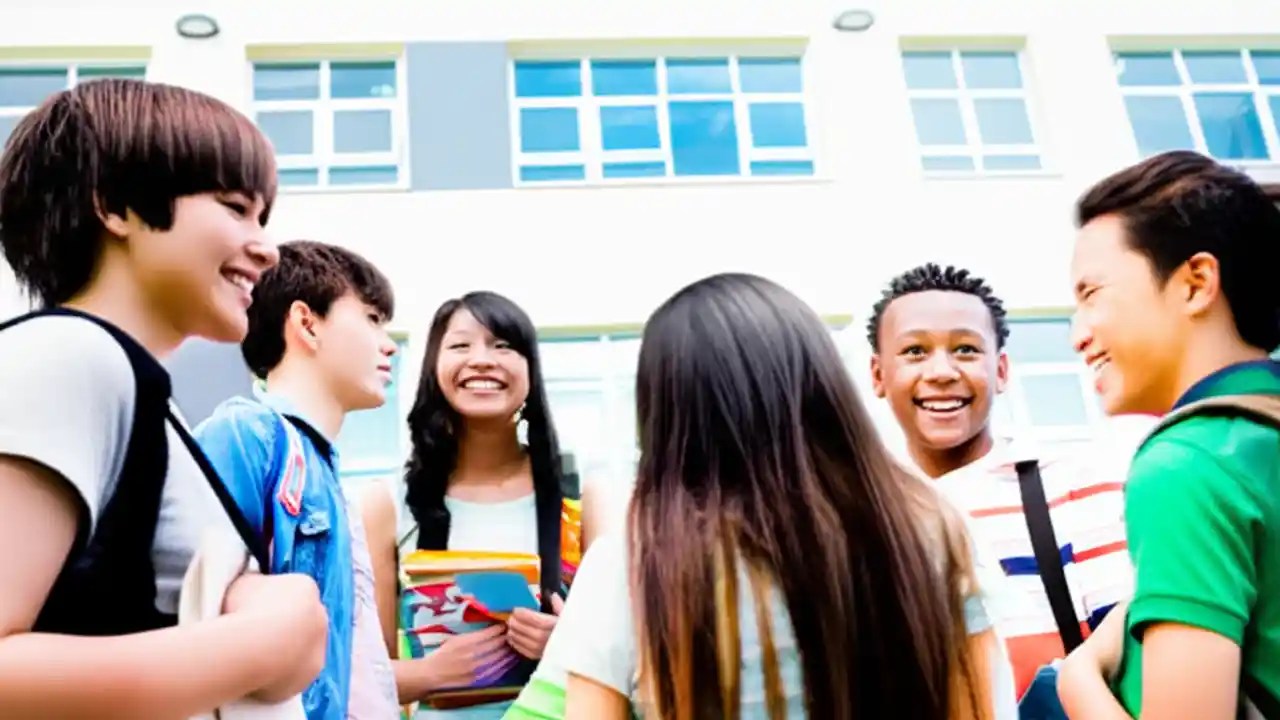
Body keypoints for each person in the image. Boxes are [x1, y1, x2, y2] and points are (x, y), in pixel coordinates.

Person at [543, 273, 1016, 719]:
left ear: (667, 411)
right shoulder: (925, 522)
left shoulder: (633, 560)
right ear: (820, 384)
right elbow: (981, 705)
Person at [0, 78, 328, 718]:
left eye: (264, 218)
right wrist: (268, 640)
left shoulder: (138, 395)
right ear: (116, 207)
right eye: (236, 207)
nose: (266, 249)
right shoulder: (69, 358)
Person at [1058, 151, 1280, 718]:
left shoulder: (1187, 464)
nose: (1077, 335)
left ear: (1195, 283)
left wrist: (1077, 680)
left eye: (1091, 294)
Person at [865, 263, 1134, 708]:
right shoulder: (858, 513)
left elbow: (1134, 649)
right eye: (914, 351)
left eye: (967, 350)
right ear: (878, 374)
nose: (942, 371)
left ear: (1002, 370)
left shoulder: (1074, 487)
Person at [360, 291, 609, 719]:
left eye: (503, 346)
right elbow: (366, 678)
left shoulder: (586, 494)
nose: (481, 360)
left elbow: (632, 651)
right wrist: (433, 673)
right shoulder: (388, 504)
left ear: (531, 371)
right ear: (433, 368)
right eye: (460, 345)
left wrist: (564, 647)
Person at [195, 240, 402, 719]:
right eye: (372, 319)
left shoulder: (324, 469)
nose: (388, 344)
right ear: (307, 323)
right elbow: (197, 610)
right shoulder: (248, 434)